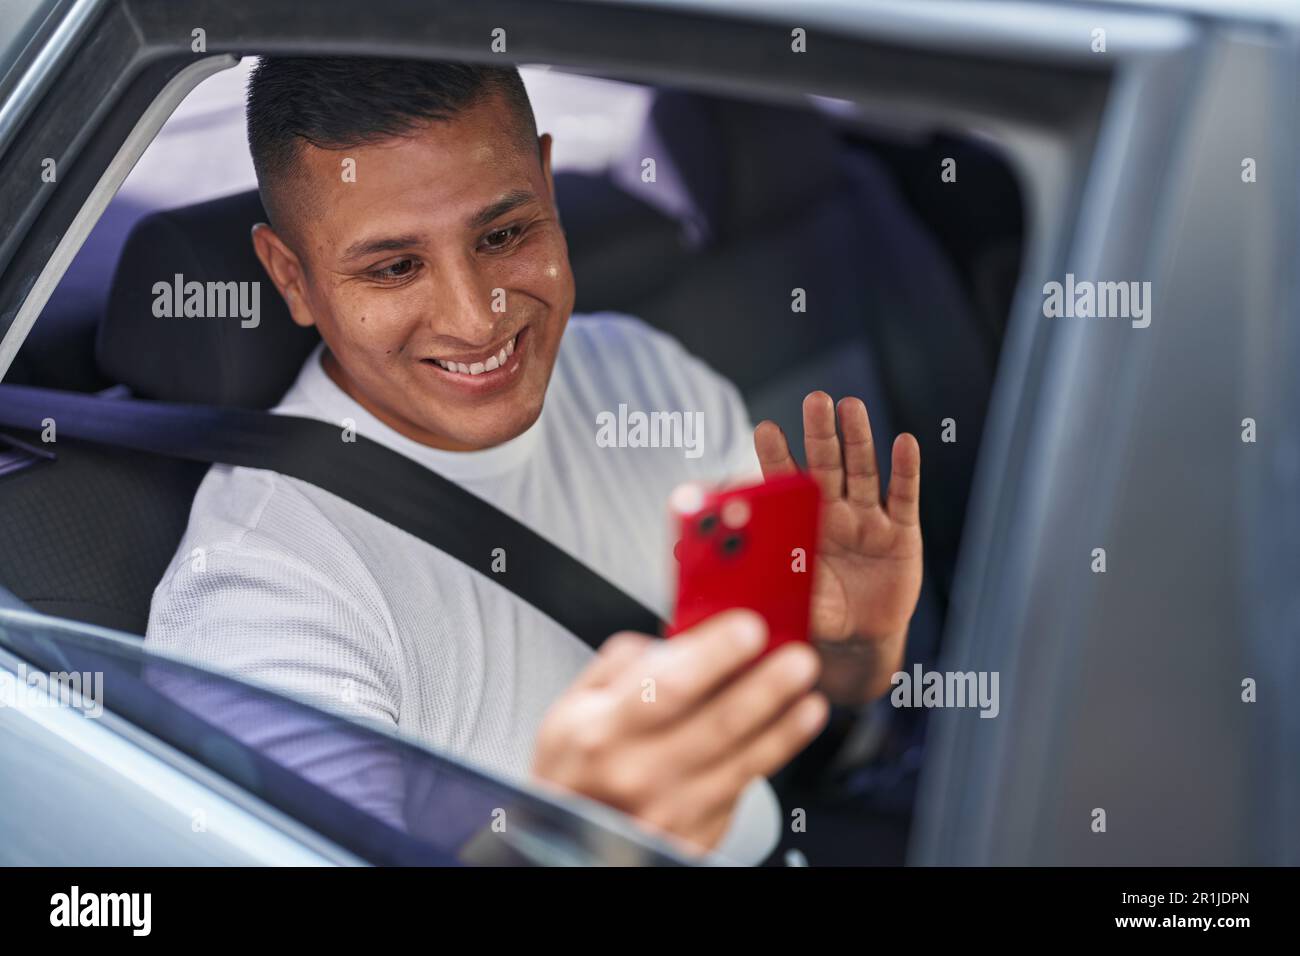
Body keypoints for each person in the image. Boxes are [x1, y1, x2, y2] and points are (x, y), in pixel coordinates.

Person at [145, 57, 923, 863]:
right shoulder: (260, 588)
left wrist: (853, 651)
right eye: (394, 267)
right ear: (290, 277)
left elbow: (784, 711)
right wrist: (559, 843)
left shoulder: (643, 374)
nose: (474, 317)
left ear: (548, 186)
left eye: (504, 234)